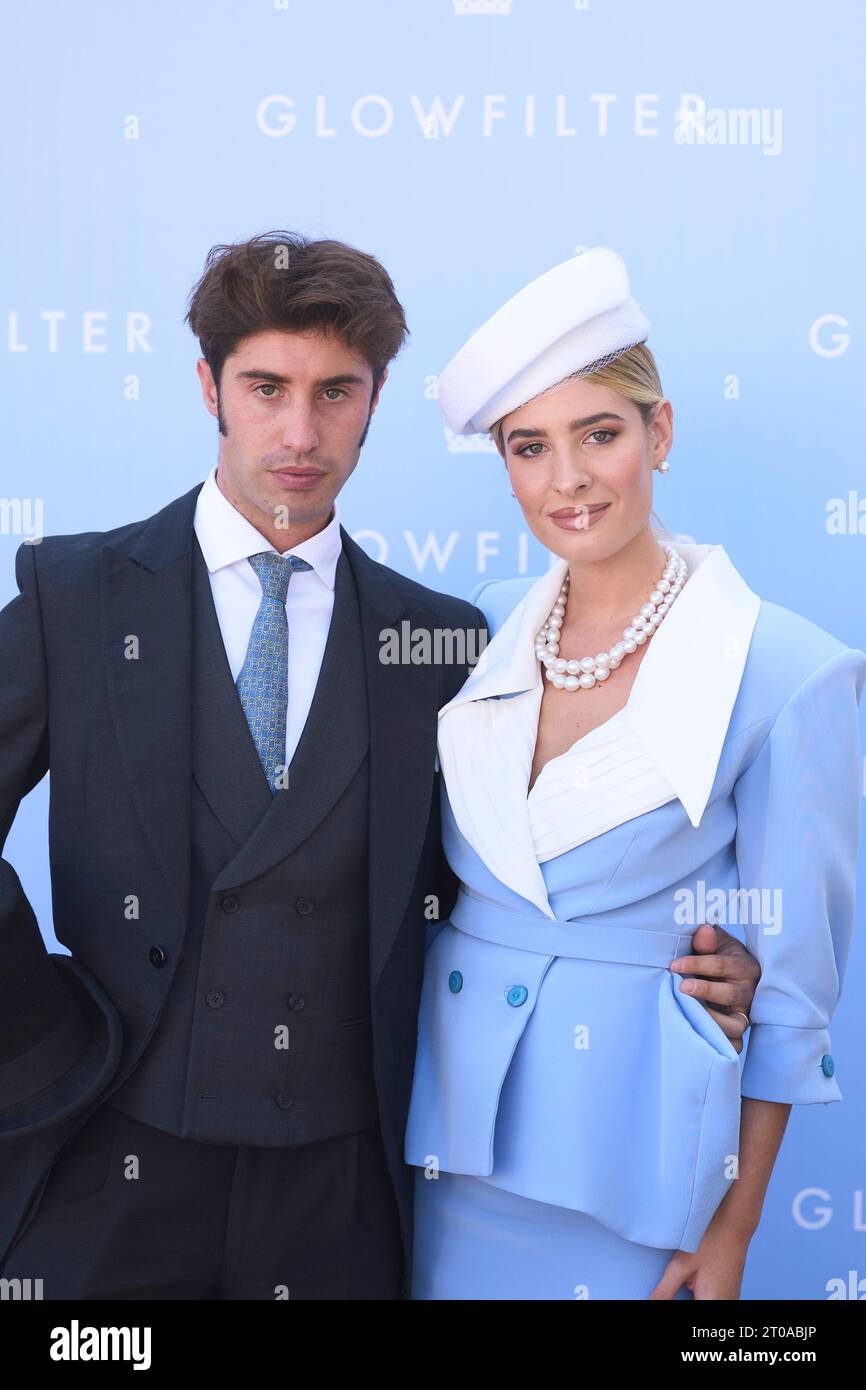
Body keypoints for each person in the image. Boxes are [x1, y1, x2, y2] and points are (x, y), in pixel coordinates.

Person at [0, 232, 761, 1300]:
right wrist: (41, 1047)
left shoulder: (442, 641)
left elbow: (509, 880)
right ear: (209, 387)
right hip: (108, 1164)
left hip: (343, 1189)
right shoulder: (78, 594)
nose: (299, 432)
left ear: (376, 397)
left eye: (336, 392)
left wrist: (682, 973)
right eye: (266, 387)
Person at [404, 247, 866, 1300]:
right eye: (529, 448)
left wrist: (734, 1227)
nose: (564, 479)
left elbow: (791, 995)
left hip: (637, 1175)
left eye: (597, 434)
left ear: (658, 433)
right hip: (439, 1146)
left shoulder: (787, 670)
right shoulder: (477, 626)